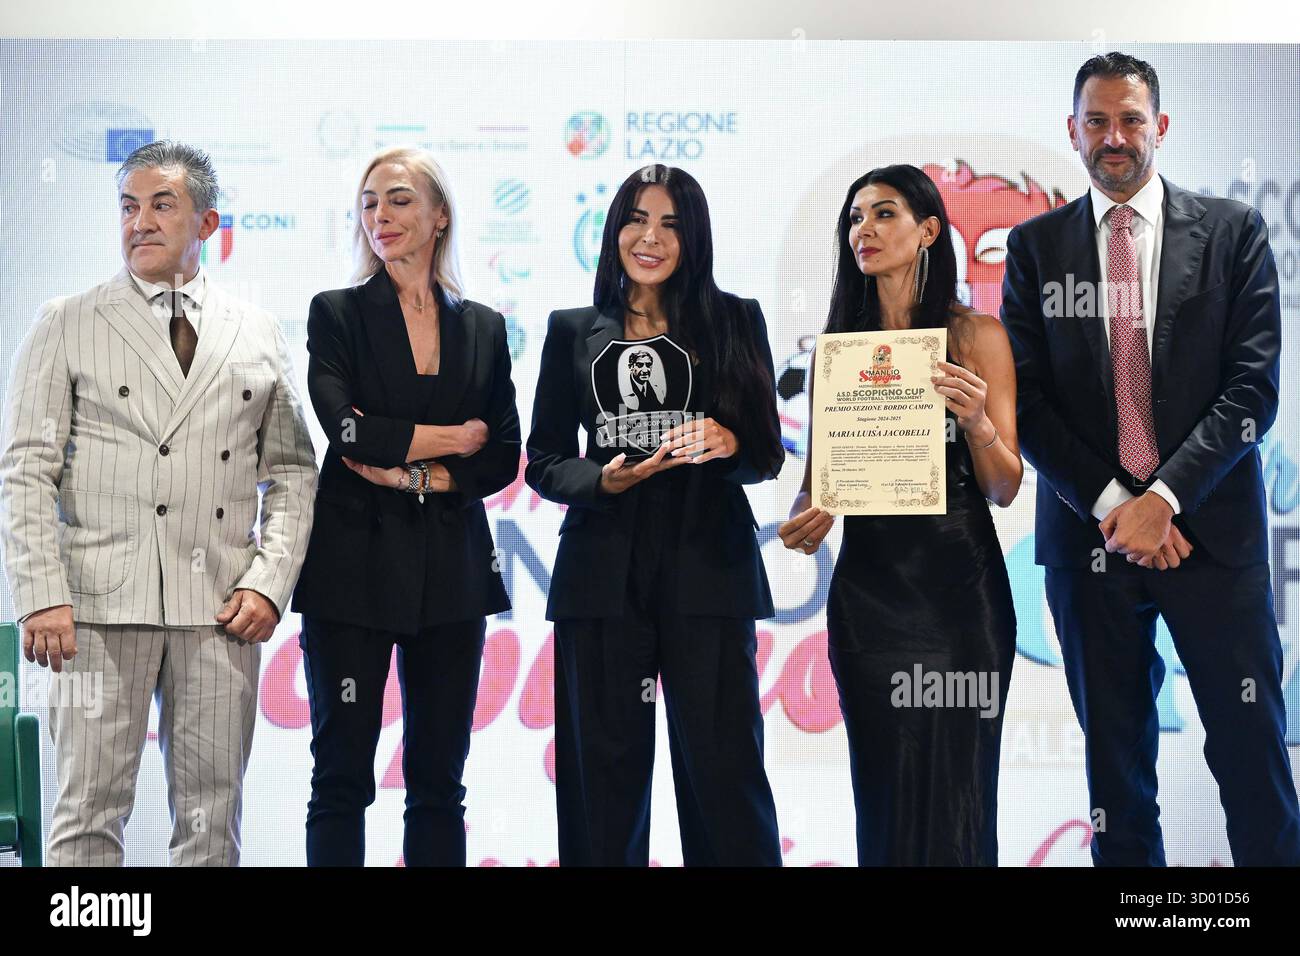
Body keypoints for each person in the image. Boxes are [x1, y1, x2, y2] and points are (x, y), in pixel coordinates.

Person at [1001, 51, 1300, 866]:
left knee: (1252, 757)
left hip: (1212, 539)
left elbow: (1252, 390)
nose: (1114, 137)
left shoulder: (1233, 233)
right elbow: (1026, 402)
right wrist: (1117, 508)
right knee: (1116, 776)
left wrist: (1162, 500)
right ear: (1072, 131)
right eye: (1096, 121)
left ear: (1159, 126)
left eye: (1130, 119)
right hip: (1090, 545)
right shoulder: (1033, 249)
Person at [0, 140, 318, 866]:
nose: (139, 222)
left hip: (220, 609)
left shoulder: (256, 330)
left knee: (213, 818)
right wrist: (42, 595)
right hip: (93, 608)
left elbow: (294, 473)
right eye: (128, 206)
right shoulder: (67, 321)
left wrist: (268, 584)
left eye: (161, 205)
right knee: (86, 813)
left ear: (206, 223)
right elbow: (26, 470)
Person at [526, 164, 785, 866]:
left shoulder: (735, 319)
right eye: (637, 219)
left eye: (671, 224)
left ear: (694, 237)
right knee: (601, 783)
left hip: (709, 569)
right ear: (614, 230)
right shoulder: (572, 330)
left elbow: (766, 453)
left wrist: (731, 443)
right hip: (601, 575)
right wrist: (600, 479)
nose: (651, 237)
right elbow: (544, 459)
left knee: (725, 772)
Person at [779, 164, 1022, 865]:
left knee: (959, 796)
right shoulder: (839, 352)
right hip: (869, 599)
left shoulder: (976, 336)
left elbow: (1006, 486)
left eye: (885, 213)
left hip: (960, 595)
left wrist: (977, 423)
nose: (866, 229)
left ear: (929, 231)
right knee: (884, 794)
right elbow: (814, 488)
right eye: (855, 218)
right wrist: (806, 519)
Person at [290, 146, 520, 867]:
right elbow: (348, 433)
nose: (379, 216)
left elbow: (501, 454)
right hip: (351, 572)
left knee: (439, 784)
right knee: (341, 780)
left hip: (451, 573)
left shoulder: (483, 326)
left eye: (398, 200)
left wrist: (414, 475)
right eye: (368, 203)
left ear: (439, 215)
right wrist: (452, 438)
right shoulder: (337, 313)